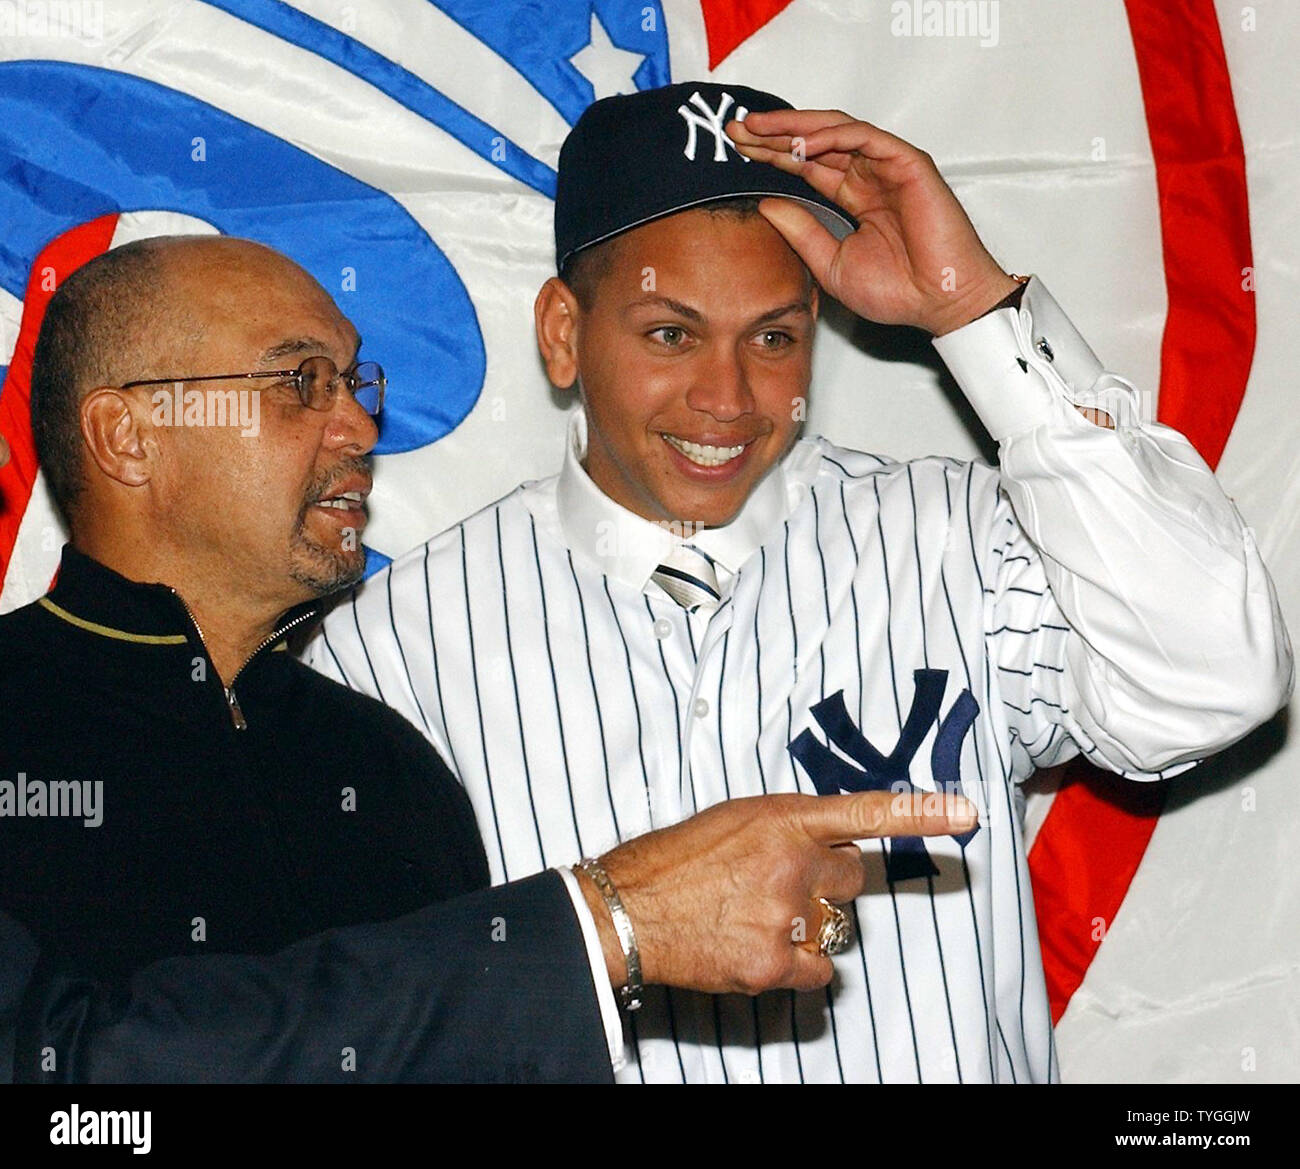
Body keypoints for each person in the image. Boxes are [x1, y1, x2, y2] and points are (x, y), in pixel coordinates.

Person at [307, 82, 1293, 1084]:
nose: (726, 399)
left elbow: (1212, 682)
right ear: (563, 332)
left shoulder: (957, 537)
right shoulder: (397, 645)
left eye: (773, 337)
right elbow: (365, 1018)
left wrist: (968, 309)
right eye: (669, 332)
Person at [0, 234, 975, 1083]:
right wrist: (606, 923)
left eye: (353, 381)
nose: (358, 427)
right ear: (129, 436)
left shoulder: (384, 764)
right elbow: (66, 1069)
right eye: (301, 382)